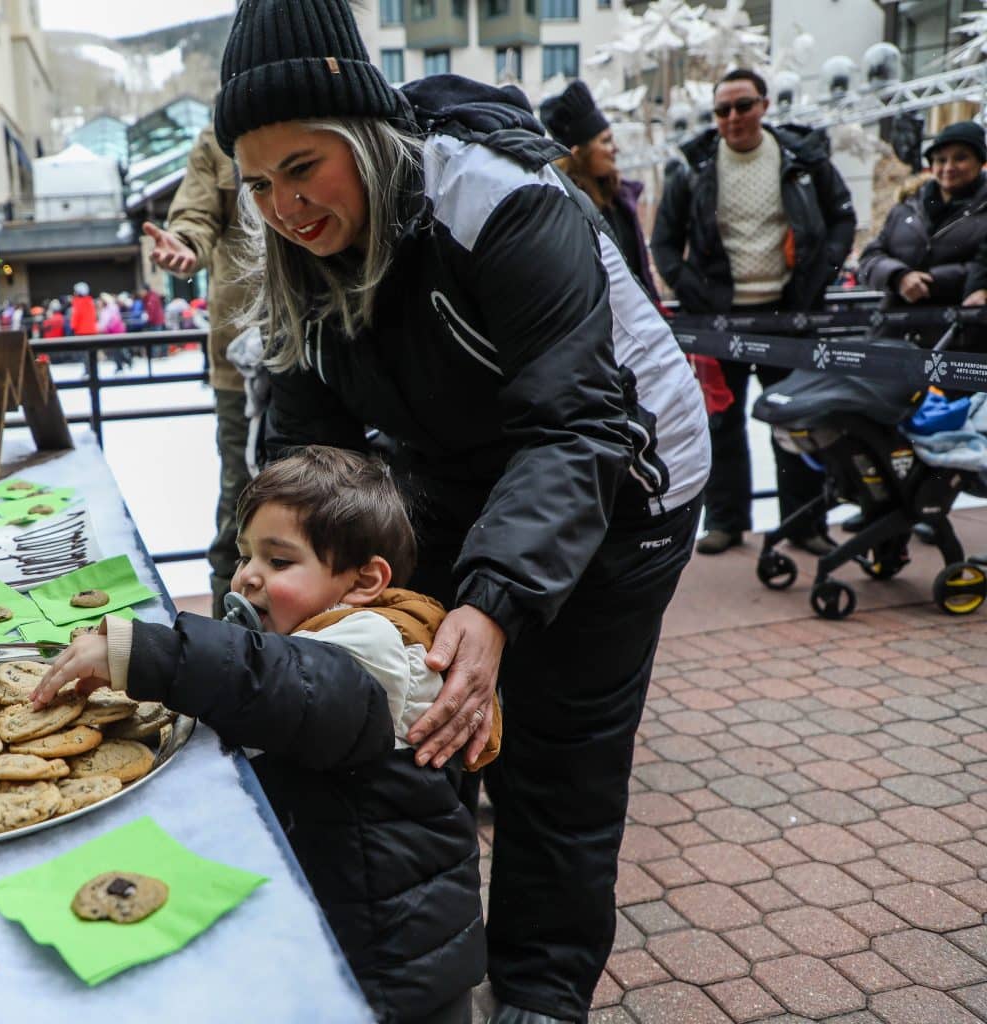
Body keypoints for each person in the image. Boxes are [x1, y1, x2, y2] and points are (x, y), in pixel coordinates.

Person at [214, 2, 710, 1020]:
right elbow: (312, 456)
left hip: (625, 476)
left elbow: (577, 431)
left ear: (364, 137)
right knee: (407, 709)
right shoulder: (300, 257)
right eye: (258, 184)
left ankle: (537, 995)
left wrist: (493, 607)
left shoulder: (505, 207)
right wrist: (271, 572)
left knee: (553, 759)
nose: (285, 208)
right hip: (456, 468)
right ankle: (422, 968)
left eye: (304, 167)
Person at [34, 447, 490, 1024]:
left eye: (278, 561)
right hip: (352, 919)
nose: (247, 574)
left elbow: (279, 684)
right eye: (246, 553)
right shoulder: (315, 630)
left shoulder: (372, 648)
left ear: (365, 581)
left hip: (392, 962)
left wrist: (145, 653)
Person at [652, 68, 855, 557]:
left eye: (743, 105)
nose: (733, 117)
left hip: (791, 317)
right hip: (719, 323)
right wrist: (692, 290)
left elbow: (842, 219)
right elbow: (663, 242)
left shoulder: (803, 159)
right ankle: (726, 522)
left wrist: (818, 278)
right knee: (720, 423)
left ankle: (804, 524)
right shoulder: (692, 167)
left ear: (764, 105)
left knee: (798, 422)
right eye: (723, 110)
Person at [142, 126, 256, 615]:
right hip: (241, 360)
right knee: (241, 507)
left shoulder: (332, 114)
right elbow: (196, 214)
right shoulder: (218, 137)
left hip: (330, 348)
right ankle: (226, 646)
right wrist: (186, 243)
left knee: (338, 506)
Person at [863, 121, 987, 343]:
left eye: (960, 158)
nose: (948, 167)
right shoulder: (905, 208)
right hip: (892, 332)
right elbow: (871, 257)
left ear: (980, 162)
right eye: (941, 160)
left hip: (958, 339)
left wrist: (931, 282)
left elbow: (980, 270)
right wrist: (898, 276)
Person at [540, 80, 658, 304]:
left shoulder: (621, 199)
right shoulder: (565, 209)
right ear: (578, 154)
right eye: (605, 141)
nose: (615, 149)